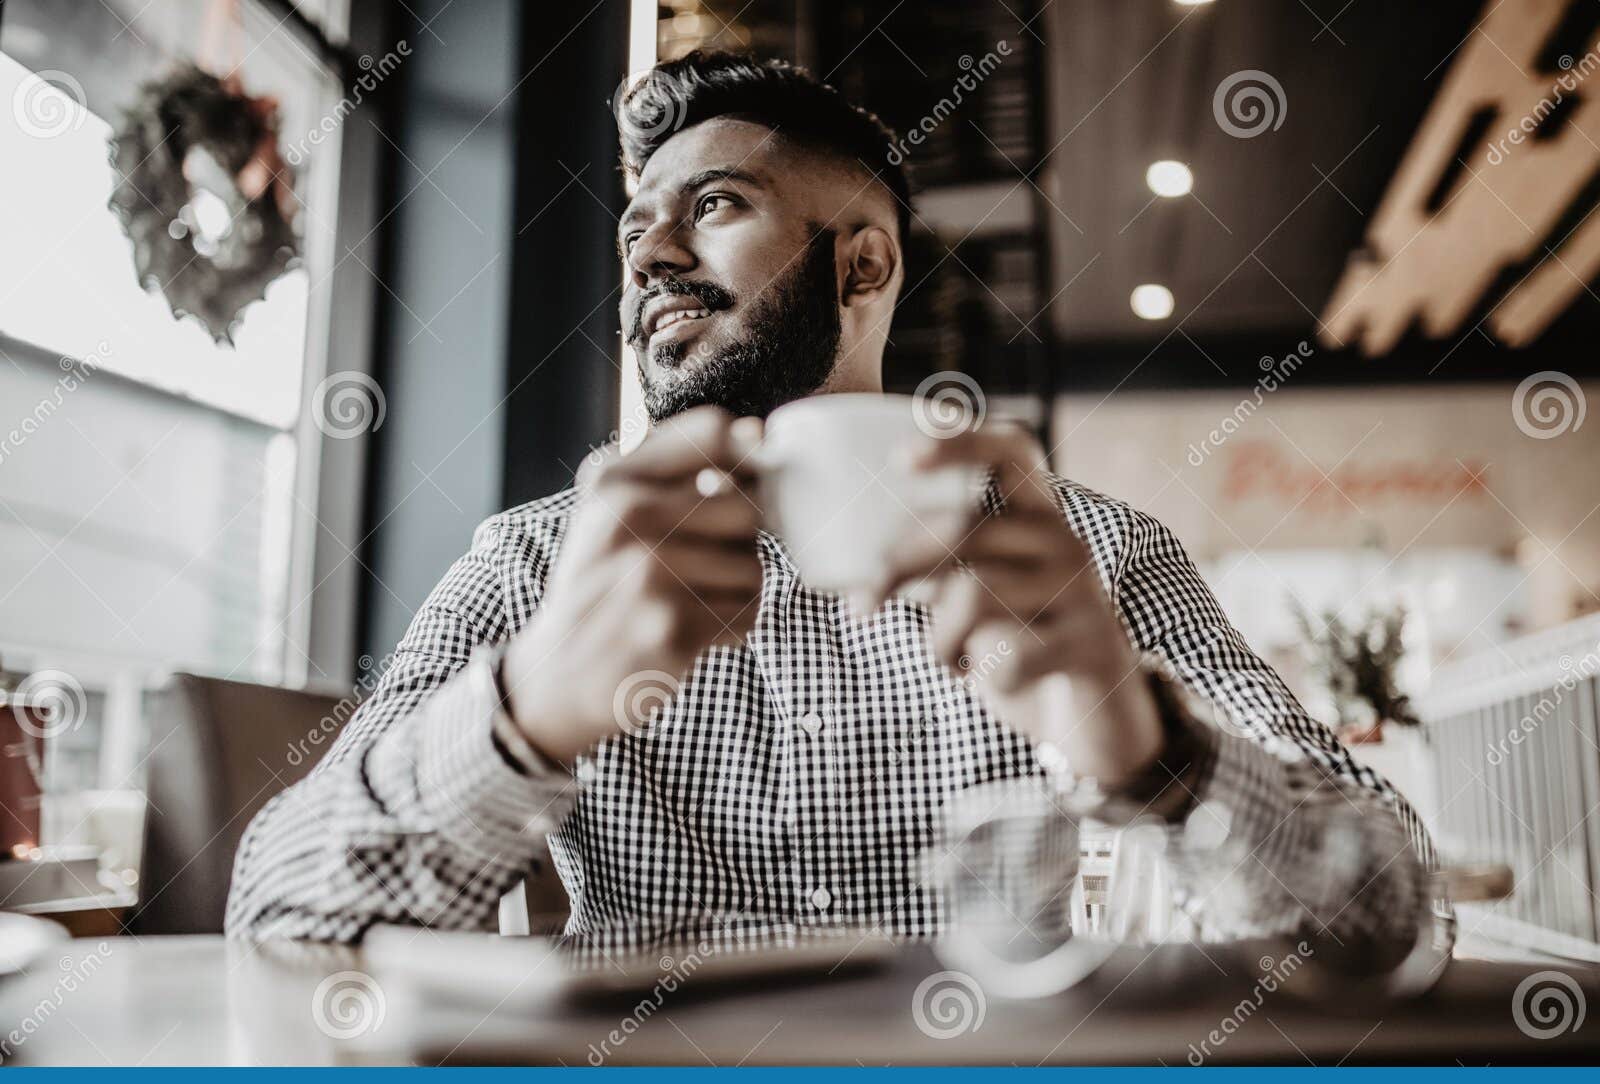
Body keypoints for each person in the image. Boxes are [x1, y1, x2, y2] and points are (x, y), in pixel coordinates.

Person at [226, 52, 1439, 968]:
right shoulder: (537, 562)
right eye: (635, 227)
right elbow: (274, 916)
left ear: (861, 265)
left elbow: (1392, 910)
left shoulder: (1095, 555)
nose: (647, 256)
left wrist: (1155, 756)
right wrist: (529, 710)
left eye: (711, 207)